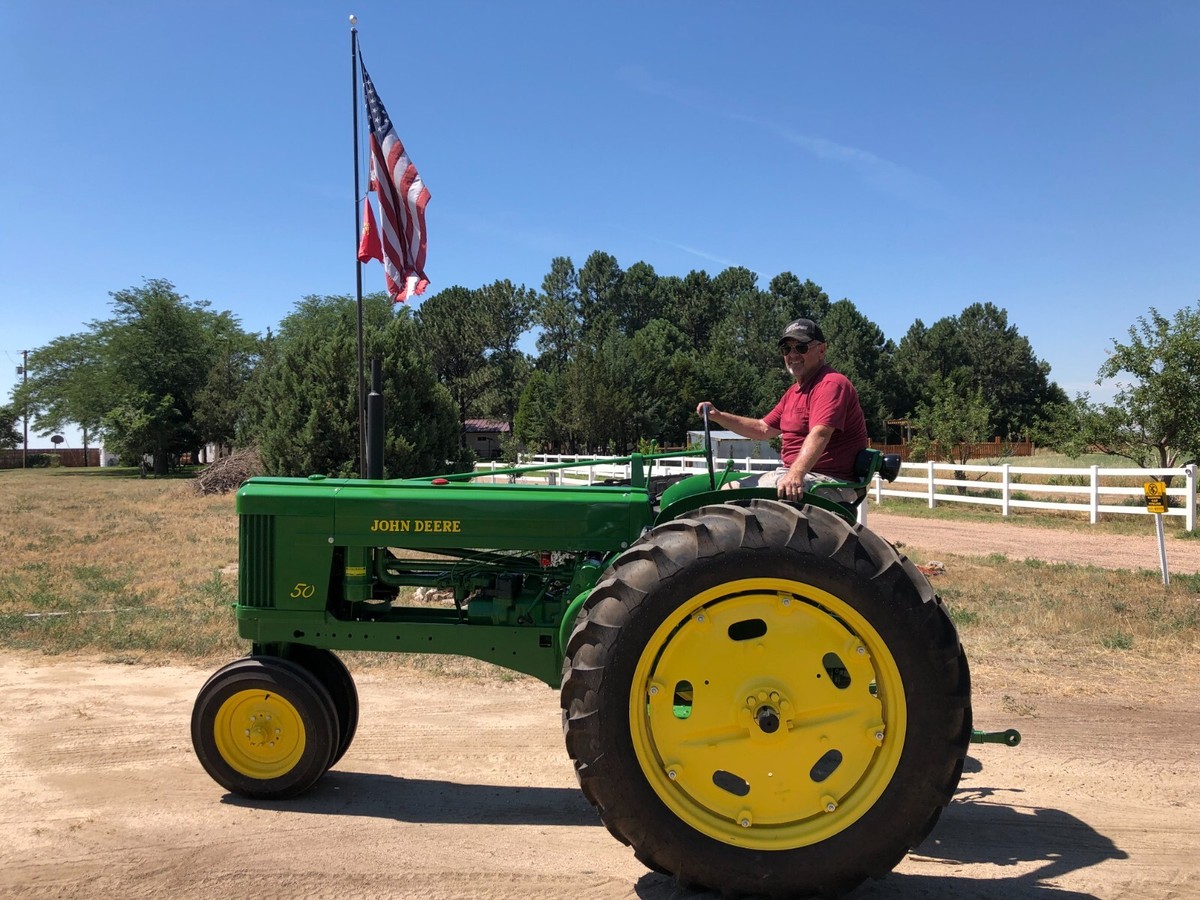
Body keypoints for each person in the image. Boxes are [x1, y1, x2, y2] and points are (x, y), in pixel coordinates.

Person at [696, 318, 869, 503]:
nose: (793, 355)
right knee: (728, 491)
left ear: (821, 350)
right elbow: (763, 428)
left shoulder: (831, 384)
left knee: (753, 499)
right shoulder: (792, 393)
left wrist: (796, 474)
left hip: (827, 480)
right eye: (787, 349)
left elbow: (820, 433)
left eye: (801, 347)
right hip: (794, 475)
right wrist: (719, 416)